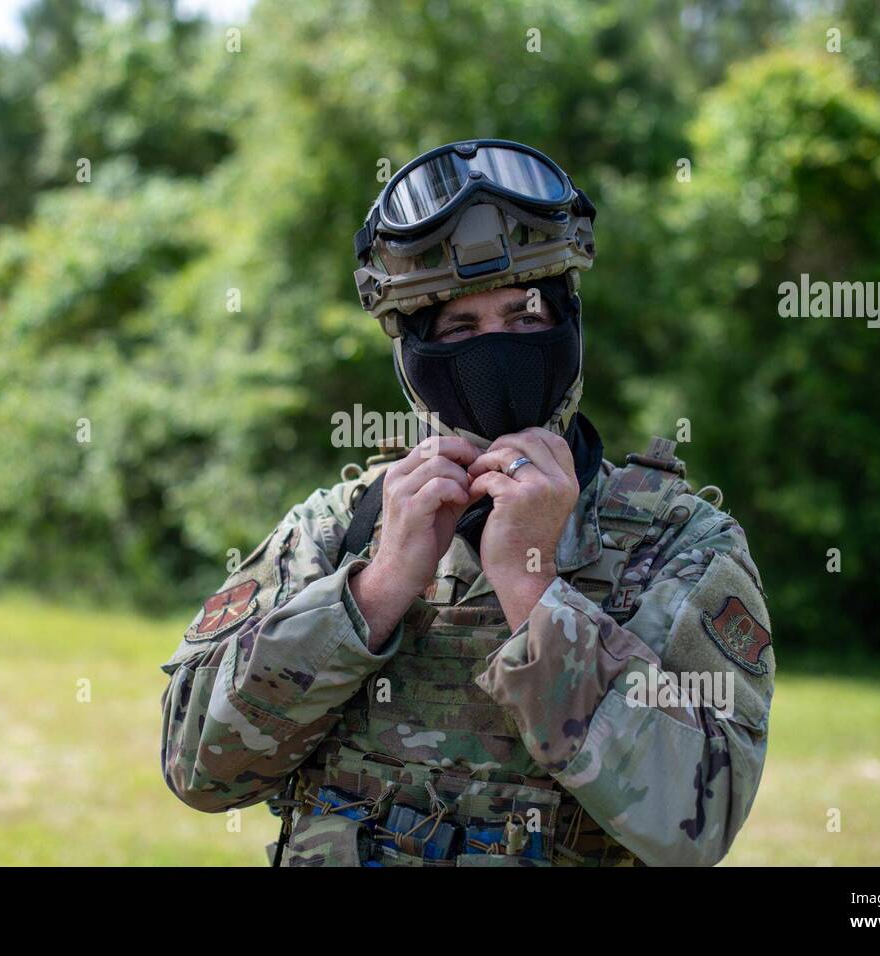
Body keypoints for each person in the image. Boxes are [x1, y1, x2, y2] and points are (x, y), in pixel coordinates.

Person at [159, 139, 774, 867]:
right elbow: (198, 768)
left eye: (525, 318)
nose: (498, 352)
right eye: (460, 329)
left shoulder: (680, 545)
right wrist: (377, 588)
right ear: (415, 353)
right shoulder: (338, 527)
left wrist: (533, 591)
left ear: (568, 324)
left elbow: (696, 825)